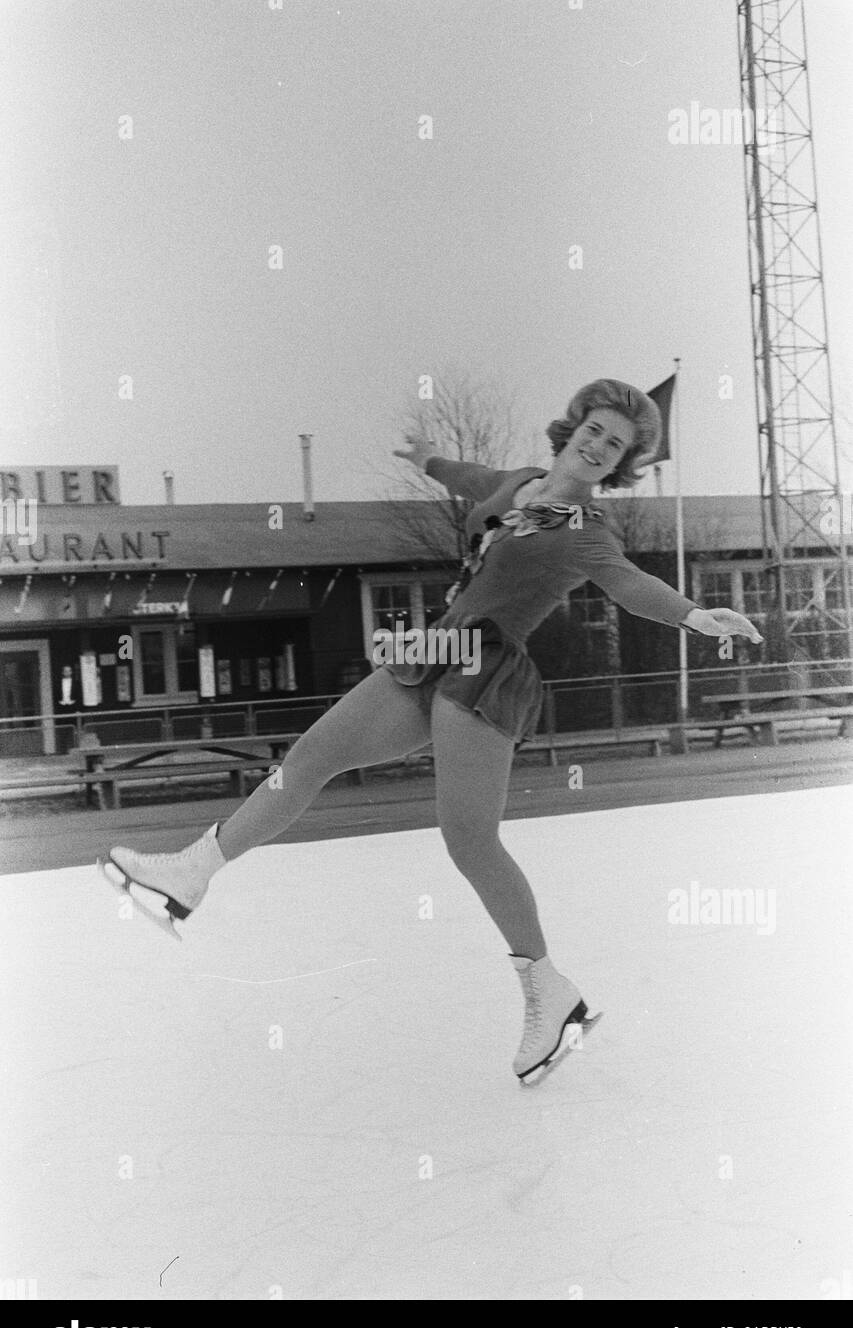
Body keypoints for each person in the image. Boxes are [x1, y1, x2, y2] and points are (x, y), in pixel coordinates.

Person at [100, 379, 762, 1083]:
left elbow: (628, 584)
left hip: (487, 667)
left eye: (615, 445)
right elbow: (470, 481)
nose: (597, 446)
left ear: (622, 464)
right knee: (311, 757)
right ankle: (191, 875)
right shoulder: (522, 482)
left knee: (468, 838)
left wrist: (694, 616)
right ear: (572, 427)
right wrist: (428, 459)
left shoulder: (586, 534)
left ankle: (548, 992)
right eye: (594, 429)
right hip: (436, 650)